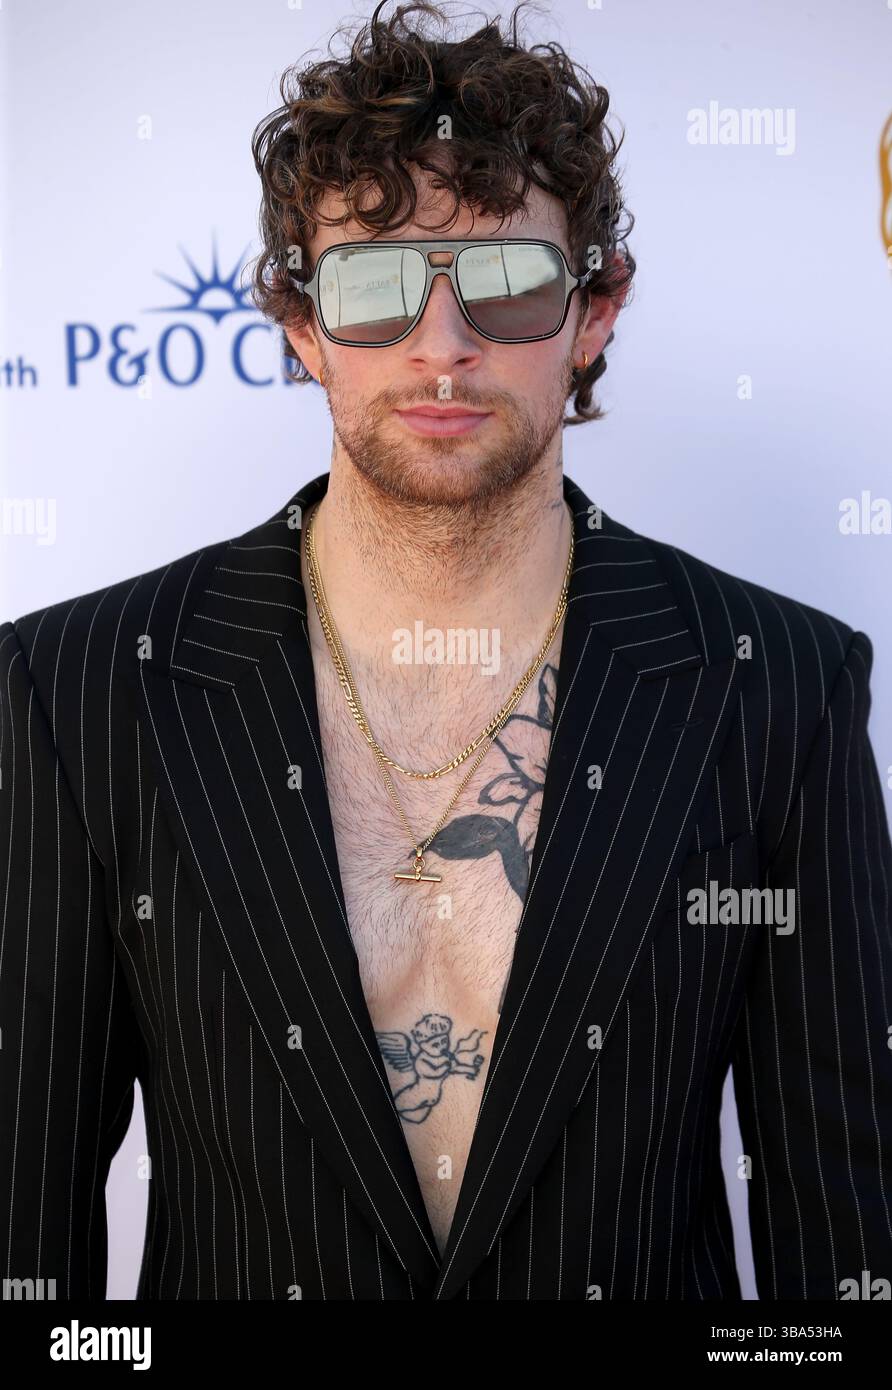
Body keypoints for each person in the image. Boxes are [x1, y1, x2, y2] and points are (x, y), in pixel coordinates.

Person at [1, 0, 890, 1302]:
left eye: (507, 279)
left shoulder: (779, 685)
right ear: (301, 324)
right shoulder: (78, 692)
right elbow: (26, 1240)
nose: (442, 344)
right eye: (374, 283)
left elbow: (846, 1240)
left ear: (596, 309)